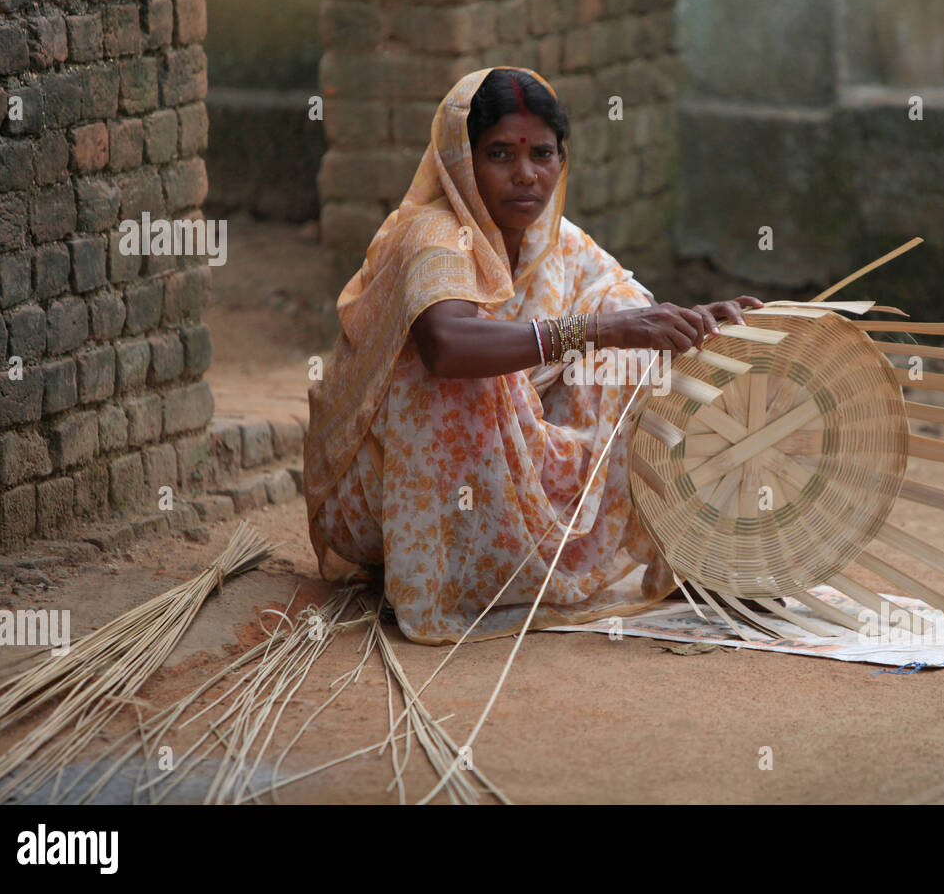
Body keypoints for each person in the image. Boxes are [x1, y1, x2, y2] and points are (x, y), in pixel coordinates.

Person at [303, 66, 762, 645]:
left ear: (561, 159)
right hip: (378, 493)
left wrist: (691, 322)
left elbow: (624, 310)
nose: (526, 176)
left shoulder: (557, 241)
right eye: (499, 155)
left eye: (541, 154)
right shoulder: (433, 235)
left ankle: (560, 554)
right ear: (463, 163)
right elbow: (446, 346)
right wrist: (599, 329)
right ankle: (450, 575)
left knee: (628, 341)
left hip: (508, 468)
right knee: (467, 376)